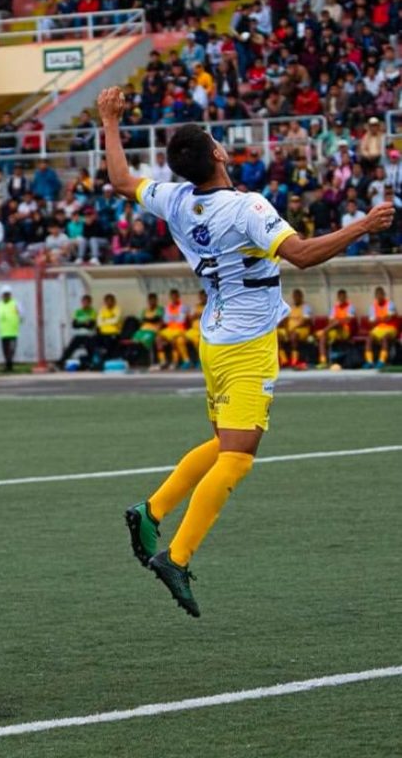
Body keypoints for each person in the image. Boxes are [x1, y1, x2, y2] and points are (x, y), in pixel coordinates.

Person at [98, 85, 394, 617]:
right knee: (237, 458)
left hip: (213, 337)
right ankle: (177, 556)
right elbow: (302, 255)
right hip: (247, 343)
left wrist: (110, 121)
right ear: (217, 153)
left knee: (223, 443)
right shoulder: (247, 208)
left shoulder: (177, 200)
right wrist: (364, 225)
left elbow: (121, 180)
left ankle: (152, 510)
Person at [316, 289, 356, 369]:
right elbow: (331, 321)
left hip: (345, 331)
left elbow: (348, 320)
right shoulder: (334, 308)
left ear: (346, 297)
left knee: (337, 322)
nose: (342, 298)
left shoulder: (350, 307)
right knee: (323, 337)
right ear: (338, 297)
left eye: (343, 296)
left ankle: (323, 330)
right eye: (340, 296)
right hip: (334, 330)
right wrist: (339, 321)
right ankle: (323, 361)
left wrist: (338, 321)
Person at [59, 294, 97, 368]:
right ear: (82, 302)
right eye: (84, 302)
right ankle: (61, 362)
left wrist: (80, 323)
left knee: (91, 348)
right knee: (70, 348)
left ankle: (92, 364)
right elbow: (74, 325)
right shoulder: (78, 311)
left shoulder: (92, 312)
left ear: (90, 303)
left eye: (87, 302)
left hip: (89, 335)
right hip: (79, 335)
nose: (85, 304)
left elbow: (91, 325)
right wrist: (85, 323)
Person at [277, 288, 312, 369]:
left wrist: (293, 328)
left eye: (298, 296)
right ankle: (284, 360)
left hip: (301, 330)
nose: (296, 298)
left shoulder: (306, 307)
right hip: (289, 330)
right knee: (276, 334)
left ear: (301, 297)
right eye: (295, 296)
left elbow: (306, 321)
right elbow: (285, 320)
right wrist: (286, 329)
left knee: (294, 335)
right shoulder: (290, 307)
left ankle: (294, 360)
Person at [365, 286, 397, 368]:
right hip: (378, 328)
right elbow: (371, 322)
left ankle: (382, 361)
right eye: (378, 295)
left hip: (390, 327)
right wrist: (381, 319)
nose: (379, 296)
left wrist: (378, 319)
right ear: (375, 296)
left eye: (381, 294)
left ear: (384, 295)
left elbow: (389, 318)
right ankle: (369, 361)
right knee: (369, 338)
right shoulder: (372, 307)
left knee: (384, 338)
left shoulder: (390, 304)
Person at [159, 289, 191, 369]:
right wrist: (175, 317)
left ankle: (175, 362)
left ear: (178, 297)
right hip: (170, 329)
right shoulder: (167, 307)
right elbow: (166, 320)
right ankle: (163, 361)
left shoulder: (183, 307)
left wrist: (172, 317)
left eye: (175, 297)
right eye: (172, 297)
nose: (174, 298)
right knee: (158, 339)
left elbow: (181, 320)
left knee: (174, 340)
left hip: (180, 329)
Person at [0, 285, 21, 372]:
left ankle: (9, 365)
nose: (6, 296)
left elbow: (22, 315)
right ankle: (8, 365)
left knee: (11, 350)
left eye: (7, 294)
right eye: (4, 294)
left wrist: (18, 322)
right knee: (5, 351)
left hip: (13, 332)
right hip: (3, 332)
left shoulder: (15, 303)